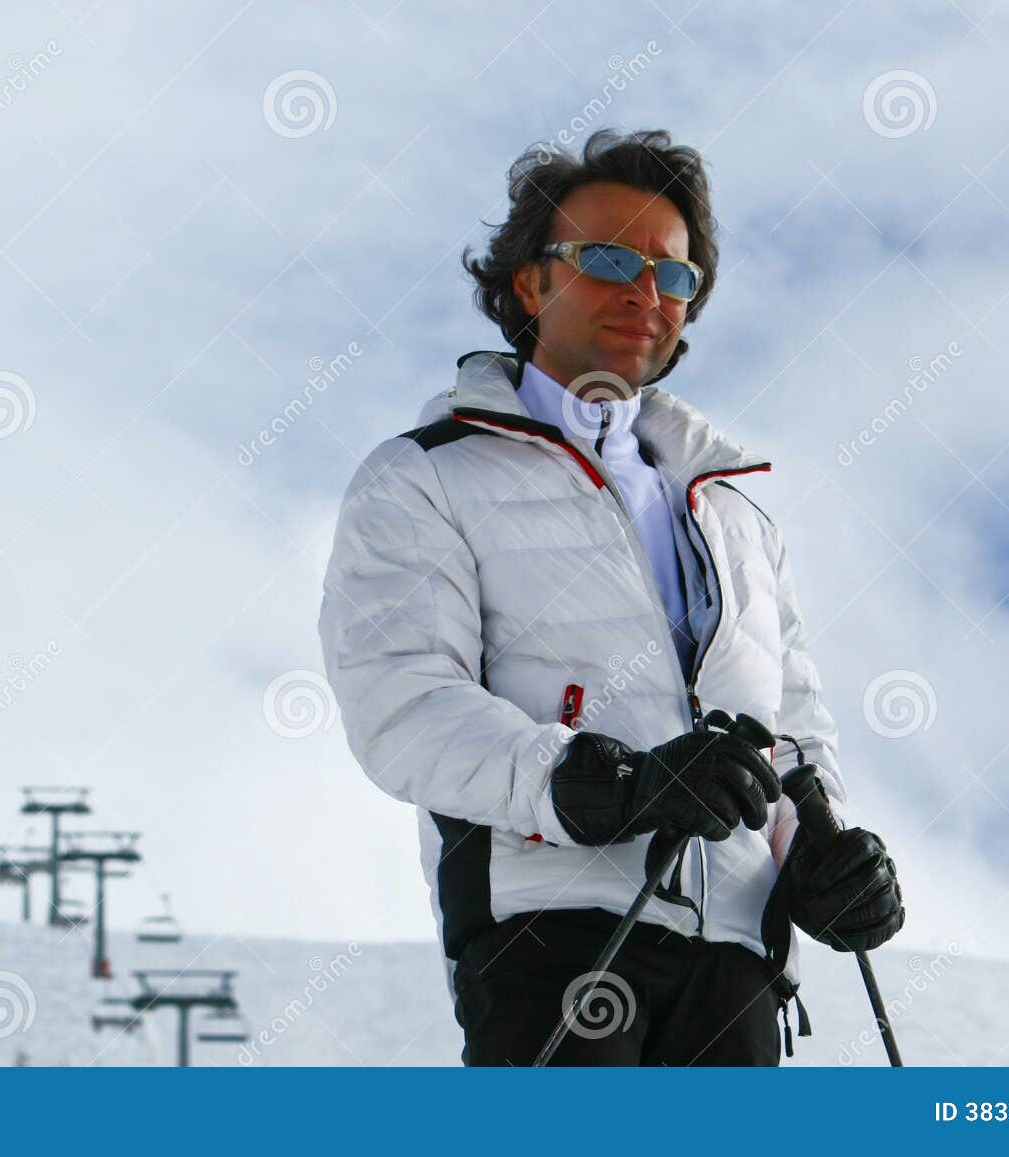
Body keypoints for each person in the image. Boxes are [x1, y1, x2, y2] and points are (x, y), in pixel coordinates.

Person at [318, 128, 904, 1066]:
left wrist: (823, 853)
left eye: (674, 277)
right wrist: (611, 785)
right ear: (528, 283)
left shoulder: (735, 516)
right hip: (551, 927)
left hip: (741, 960)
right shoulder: (426, 477)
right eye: (606, 259)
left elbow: (793, 729)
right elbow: (403, 704)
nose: (645, 293)